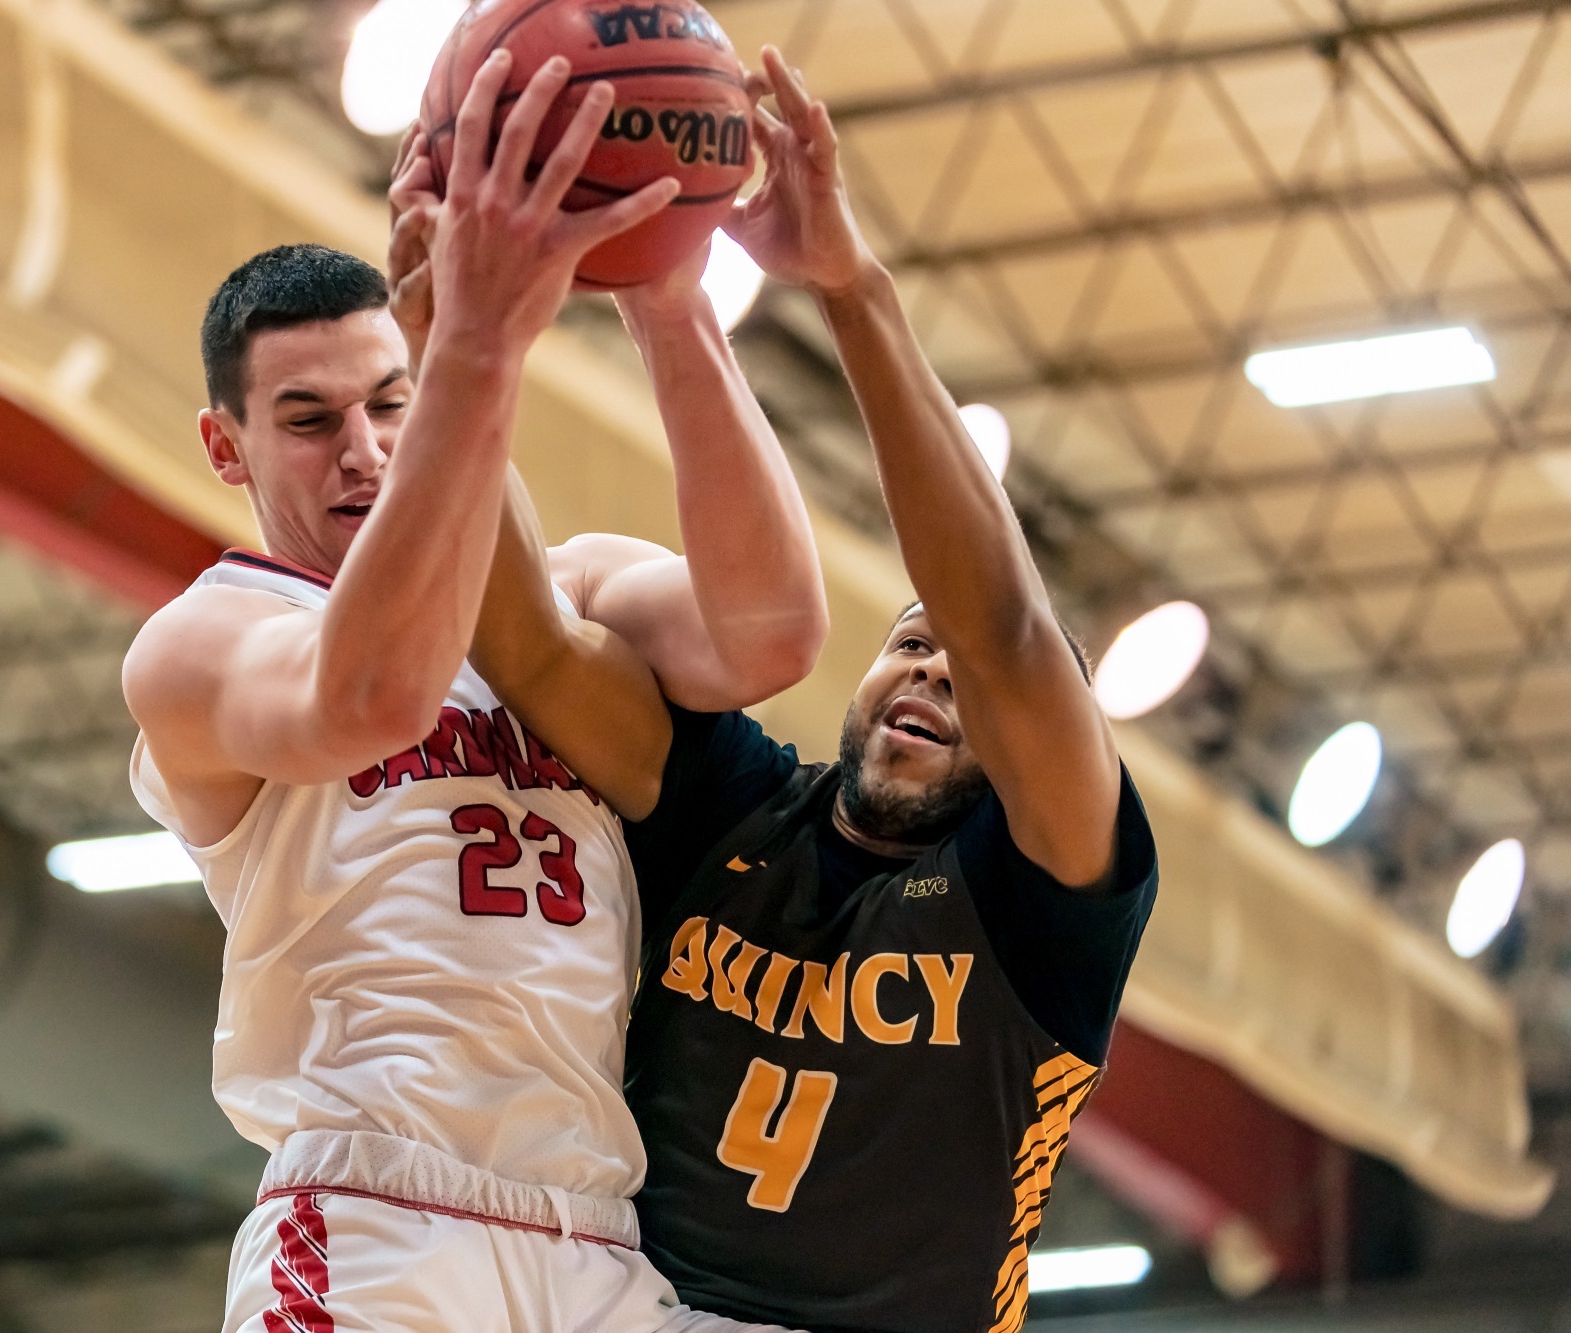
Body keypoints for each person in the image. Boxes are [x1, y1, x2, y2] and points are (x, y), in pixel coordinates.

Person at [121, 51, 824, 1333]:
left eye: (391, 399)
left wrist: (669, 306)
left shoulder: (566, 595)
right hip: (379, 1219)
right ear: (224, 445)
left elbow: (771, 633)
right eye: (307, 417)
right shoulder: (207, 640)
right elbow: (374, 693)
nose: (367, 449)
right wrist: (469, 353)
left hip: (597, 1233)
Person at [461, 48, 1159, 1333]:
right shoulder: (733, 805)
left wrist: (849, 288)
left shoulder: (1042, 897)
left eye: (958, 669)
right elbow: (530, 649)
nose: (932, 669)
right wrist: (459, 337)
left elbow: (1000, 628)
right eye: (907, 645)